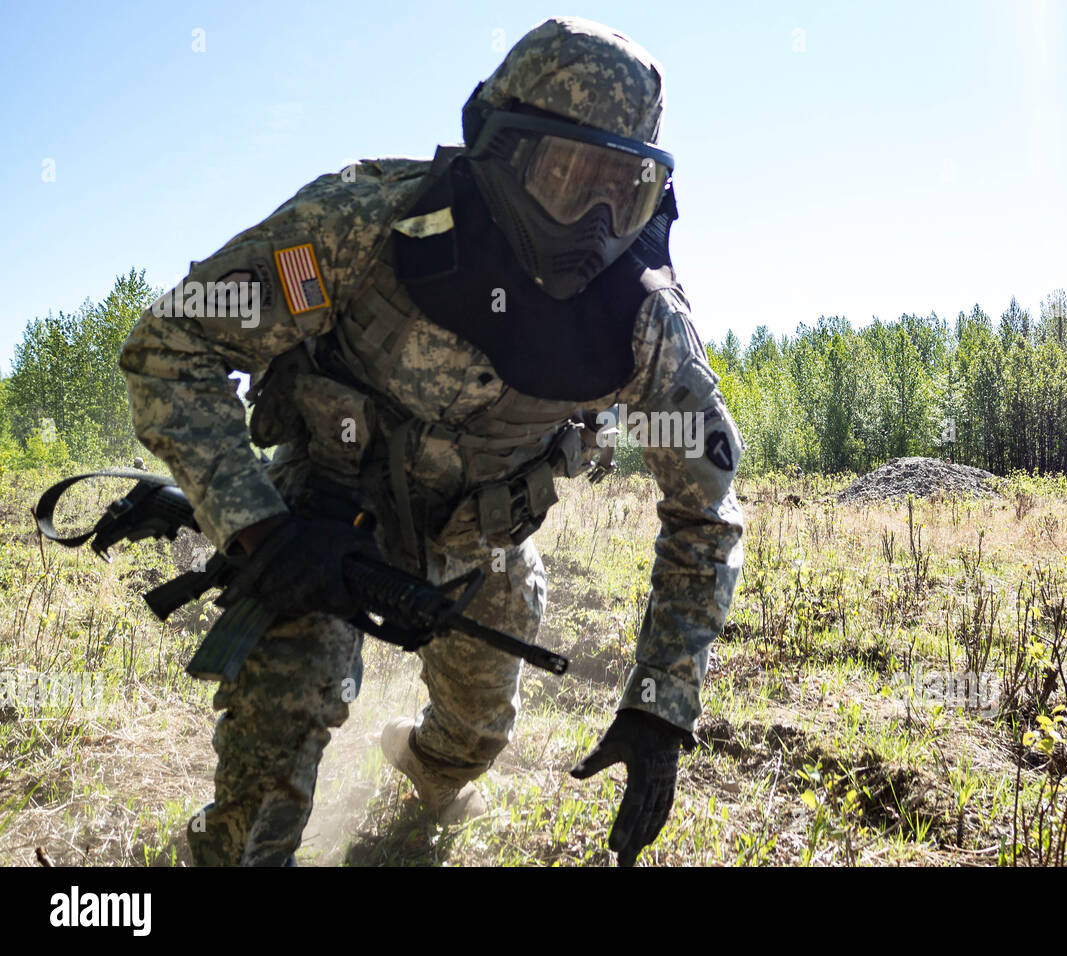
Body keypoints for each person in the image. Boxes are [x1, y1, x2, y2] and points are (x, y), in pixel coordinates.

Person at [118, 16, 744, 867]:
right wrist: (258, 527)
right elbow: (176, 347)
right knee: (261, 804)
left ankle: (420, 769)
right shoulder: (358, 232)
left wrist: (660, 704)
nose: (594, 220)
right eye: (566, 177)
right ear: (500, 154)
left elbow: (704, 513)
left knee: (469, 749)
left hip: (482, 552)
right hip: (319, 529)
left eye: (622, 190)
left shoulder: (641, 326)